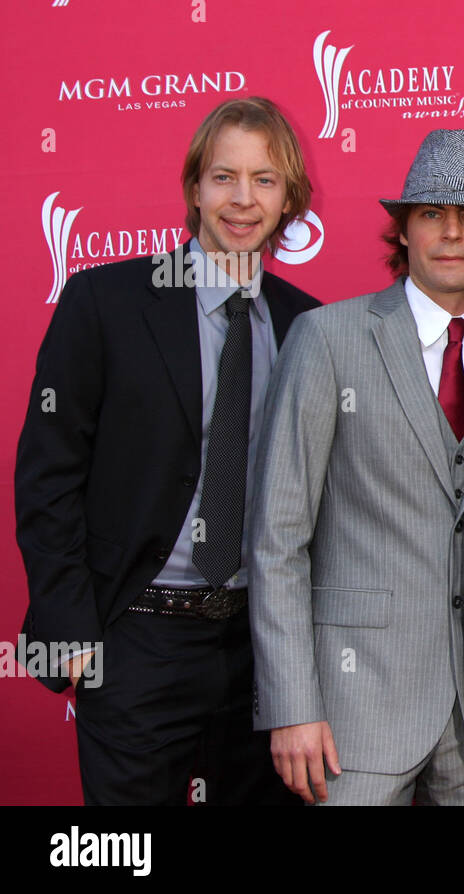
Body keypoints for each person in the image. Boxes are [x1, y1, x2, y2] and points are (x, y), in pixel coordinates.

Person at [14, 96, 318, 805]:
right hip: (134, 642)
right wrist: (73, 634)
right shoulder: (105, 302)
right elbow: (47, 475)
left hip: (259, 651)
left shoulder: (307, 325)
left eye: (264, 180)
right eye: (223, 177)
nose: (242, 200)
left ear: (290, 200)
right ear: (193, 188)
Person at [249, 129, 464, 805]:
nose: (451, 233)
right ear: (402, 231)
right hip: (351, 713)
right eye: (431, 213)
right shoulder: (327, 339)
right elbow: (277, 538)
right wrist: (290, 703)